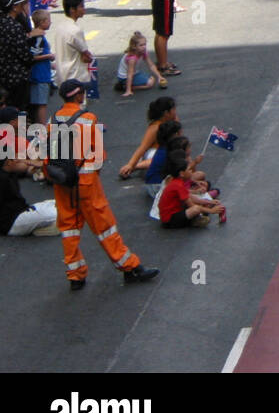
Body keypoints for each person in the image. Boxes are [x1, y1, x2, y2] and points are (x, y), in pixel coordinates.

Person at [47, 79, 160, 289]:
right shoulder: (88, 120)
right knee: (104, 226)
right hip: (86, 182)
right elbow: (98, 156)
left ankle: (75, 275)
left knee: (69, 228)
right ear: (78, 95)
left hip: (62, 182)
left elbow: (49, 154)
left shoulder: (52, 120)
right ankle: (129, 267)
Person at [0, 105, 57, 236]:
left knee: (59, 203)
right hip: (12, 222)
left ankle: (41, 227)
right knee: (59, 213)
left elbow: (31, 159)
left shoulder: (7, 170)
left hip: (20, 213)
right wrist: (33, 164)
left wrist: (31, 163)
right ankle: (40, 229)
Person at [115, 30, 164, 96]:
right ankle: (126, 87)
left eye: (145, 44)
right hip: (124, 77)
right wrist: (128, 90)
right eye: (141, 45)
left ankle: (128, 85)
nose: (144, 47)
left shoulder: (142, 52)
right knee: (150, 83)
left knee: (152, 78)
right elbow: (130, 74)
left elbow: (151, 65)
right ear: (134, 46)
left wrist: (159, 76)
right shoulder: (132, 58)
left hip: (135, 73)